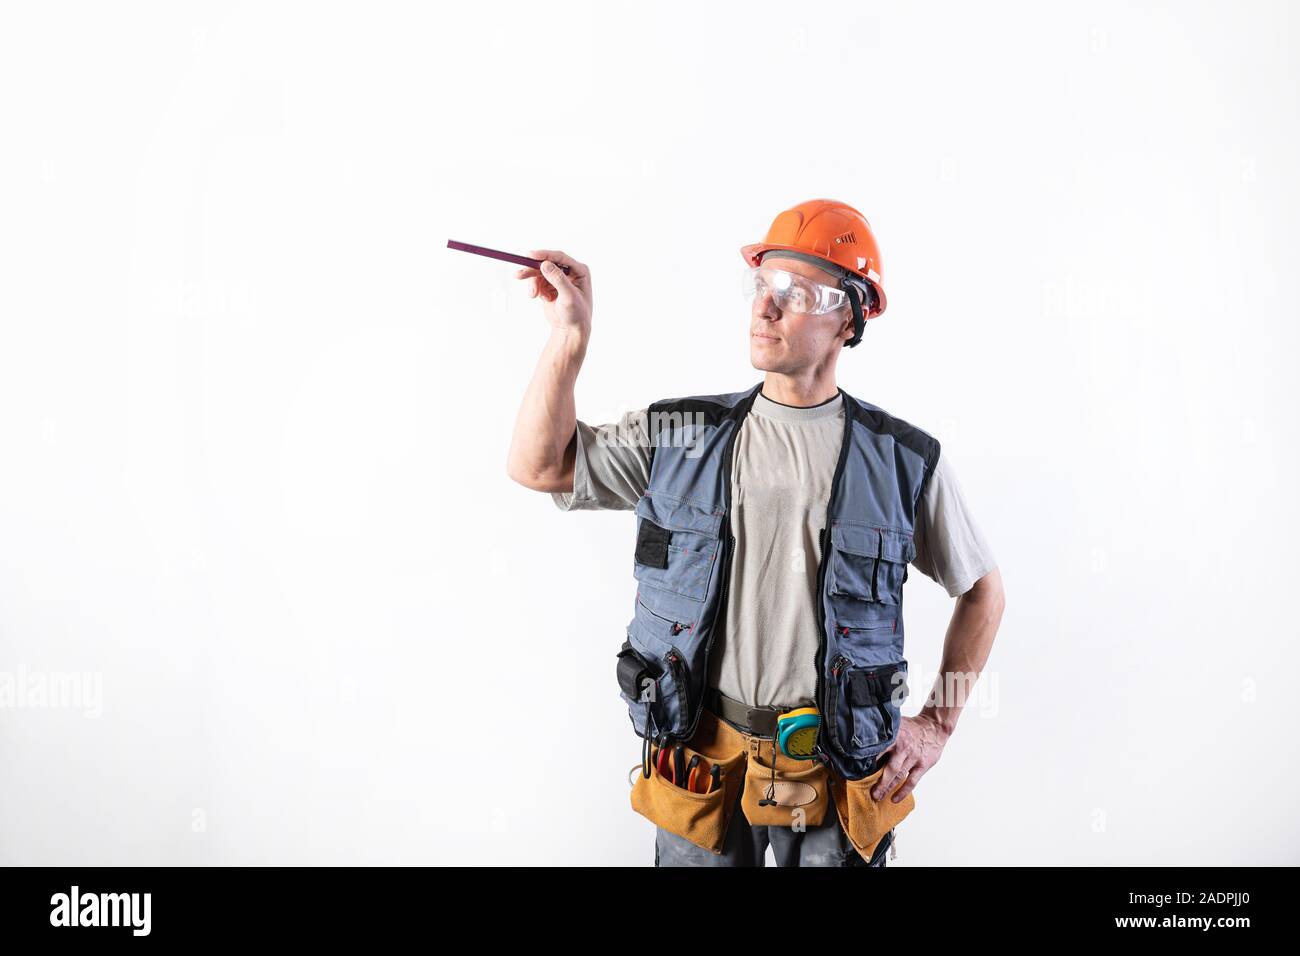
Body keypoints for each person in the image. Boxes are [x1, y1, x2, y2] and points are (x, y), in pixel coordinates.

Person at [507, 199, 1005, 867]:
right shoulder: (683, 435)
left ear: (848, 318)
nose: (765, 308)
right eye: (761, 285)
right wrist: (569, 337)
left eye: (795, 293)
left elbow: (983, 593)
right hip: (698, 755)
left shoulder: (900, 461)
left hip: (831, 764)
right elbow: (539, 465)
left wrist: (935, 726)